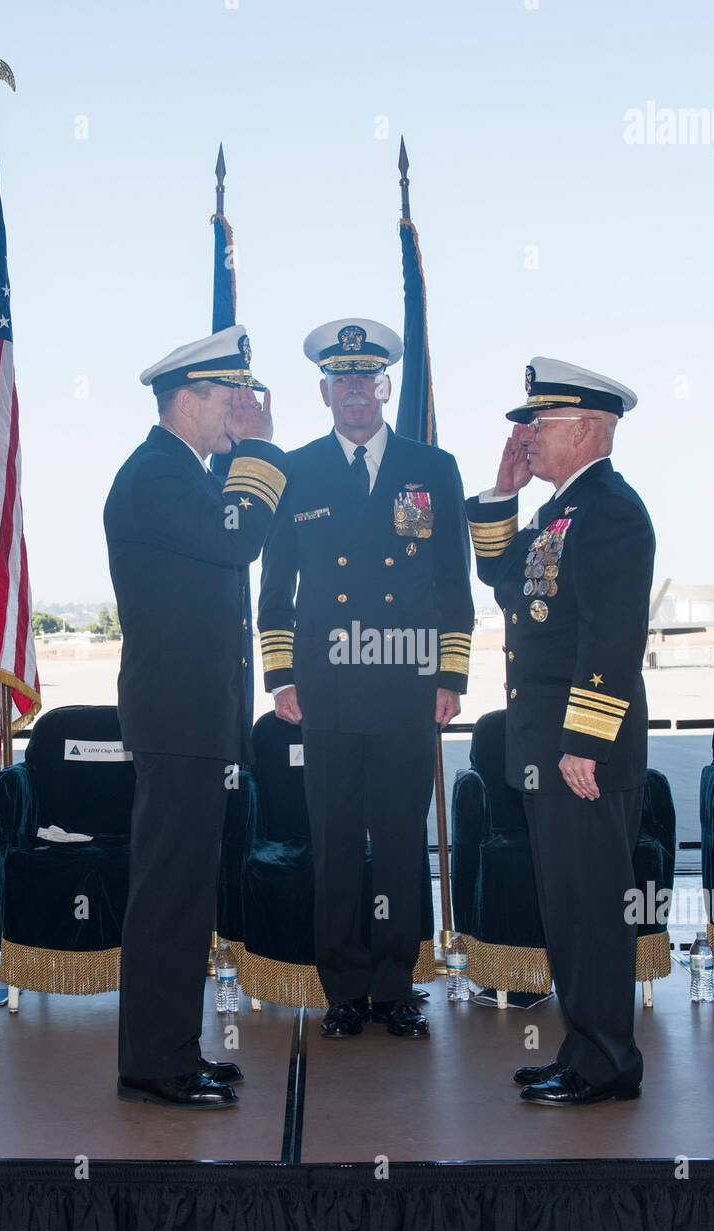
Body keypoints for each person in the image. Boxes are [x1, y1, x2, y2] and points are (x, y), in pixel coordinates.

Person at [258, 318, 474, 1038]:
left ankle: (396, 985)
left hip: (408, 684)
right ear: (324, 391)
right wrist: (280, 675)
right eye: (341, 380)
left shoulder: (432, 468)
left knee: (400, 840)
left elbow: (453, 580)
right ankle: (344, 988)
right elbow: (276, 585)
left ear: (383, 386)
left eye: (366, 379)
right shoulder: (296, 469)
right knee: (337, 840)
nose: (355, 391)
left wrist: (451, 675)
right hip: (328, 687)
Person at [104, 325, 287, 1108]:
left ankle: (173, 1049)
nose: (240, 411)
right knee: (169, 894)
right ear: (188, 400)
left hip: (195, 719)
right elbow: (237, 540)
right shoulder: (156, 475)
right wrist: (263, 451)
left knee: (184, 893)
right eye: (229, 398)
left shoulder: (182, 472)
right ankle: (154, 1062)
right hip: (177, 720)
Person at [465, 357, 655, 1105]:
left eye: (538, 425)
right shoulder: (560, 511)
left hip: (580, 748)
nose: (526, 437)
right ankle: (584, 1051)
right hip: (549, 743)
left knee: (593, 907)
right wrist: (502, 496)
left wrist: (586, 742)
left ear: (588, 429)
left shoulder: (610, 509)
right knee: (569, 906)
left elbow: (611, 636)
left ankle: (607, 1063)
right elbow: (503, 581)